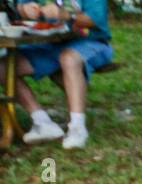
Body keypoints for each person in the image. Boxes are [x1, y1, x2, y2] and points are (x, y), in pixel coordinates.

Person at [13, 0, 113, 149]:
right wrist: (23, 9)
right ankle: (42, 121)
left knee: (69, 59)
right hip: (48, 45)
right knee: (4, 65)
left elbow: (95, 19)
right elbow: (19, 8)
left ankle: (77, 128)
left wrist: (66, 15)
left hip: (91, 42)